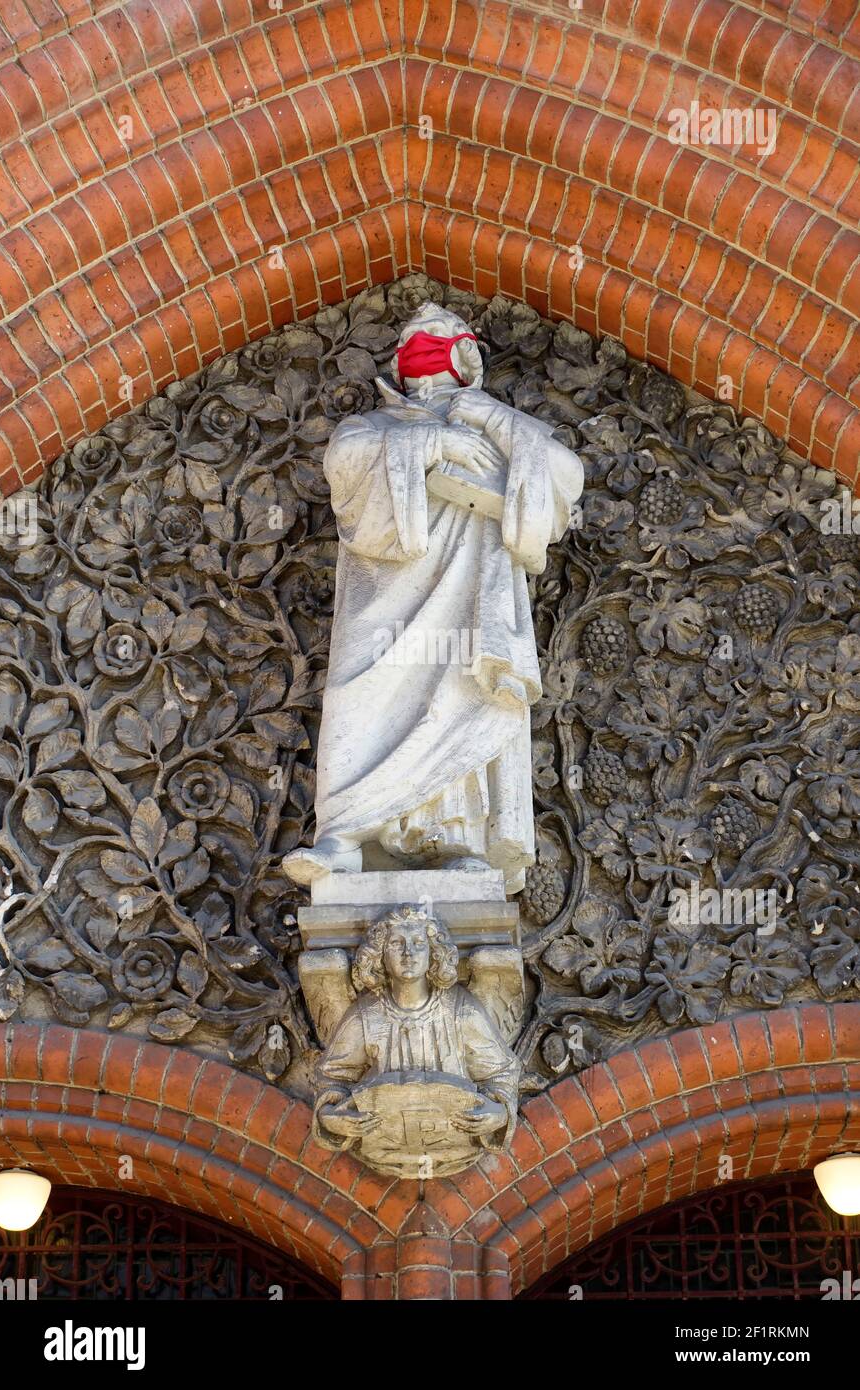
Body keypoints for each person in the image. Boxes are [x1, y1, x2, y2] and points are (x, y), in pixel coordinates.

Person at [284, 302, 584, 893]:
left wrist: (495, 421)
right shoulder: (378, 428)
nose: (426, 350)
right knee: (361, 698)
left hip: (472, 602)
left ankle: (463, 846)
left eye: (441, 341)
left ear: (468, 356)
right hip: (385, 608)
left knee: (463, 700)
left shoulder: (496, 428)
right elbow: (343, 465)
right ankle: (343, 839)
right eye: (415, 343)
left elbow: (563, 478)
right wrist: (430, 444)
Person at [313, 906, 520, 1157]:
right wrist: (330, 1117)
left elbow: (501, 1072)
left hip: (457, 1148)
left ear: (434, 952)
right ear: (380, 955)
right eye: (396, 943)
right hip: (381, 1149)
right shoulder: (366, 1015)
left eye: (419, 942)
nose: (408, 953)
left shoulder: (461, 1011)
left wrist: (499, 1112)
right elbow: (332, 1076)